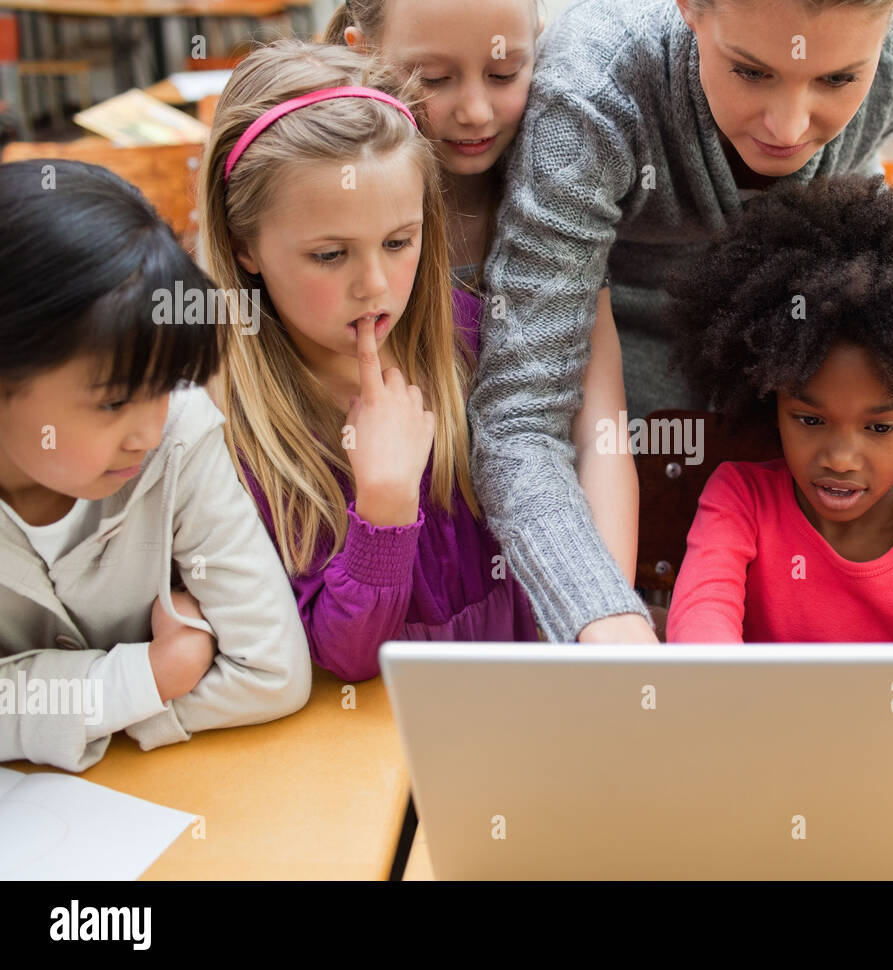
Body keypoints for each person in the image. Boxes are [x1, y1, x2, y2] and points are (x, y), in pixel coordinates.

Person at [473, 0, 893, 643]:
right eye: (751, 71)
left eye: (837, 79)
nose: (788, 126)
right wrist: (600, 618)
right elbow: (521, 415)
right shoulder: (592, 92)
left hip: (785, 392)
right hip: (610, 388)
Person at [199, 41, 536, 682]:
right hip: (367, 732)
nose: (375, 285)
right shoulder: (230, 430)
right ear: (244, 247)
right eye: (330, 255)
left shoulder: (476, 338)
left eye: (398, 242)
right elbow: (347, 657)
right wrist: (384, 503)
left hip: (517, 704)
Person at [0, 159, 311, 771]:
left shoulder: (180, 435)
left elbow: (272, 671)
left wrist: (52, 710)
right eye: (113, 402)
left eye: (166, 384)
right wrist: (149, 675)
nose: (146, 433)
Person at [328, 0, 641, 586]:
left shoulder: (558, 204)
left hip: (533, 580)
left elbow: (600, 431)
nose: (474, 112)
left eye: (504, 73)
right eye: (433, 79)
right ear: (362, 52)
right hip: (381, 578)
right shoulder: (330, 212)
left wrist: (607, 608)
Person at [665, 174, 893, 643]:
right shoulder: (739, 501)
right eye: (810, 419)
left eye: (879, 428)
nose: (840, 459)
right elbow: (701, 632)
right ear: (771, 402)